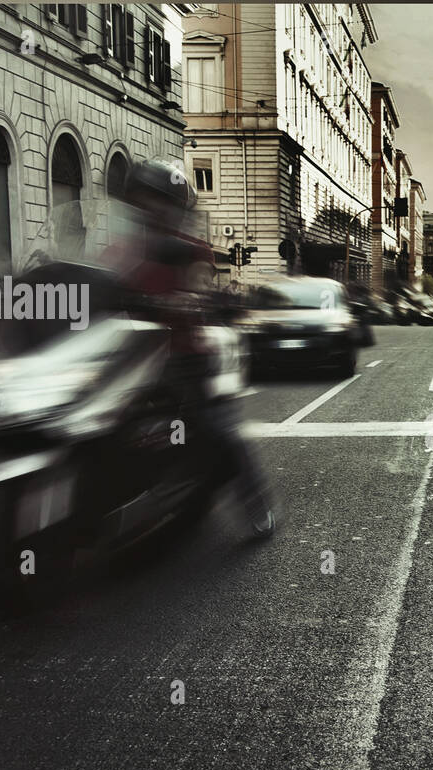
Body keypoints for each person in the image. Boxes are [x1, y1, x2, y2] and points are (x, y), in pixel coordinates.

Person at [103, 159, 277, 538]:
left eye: (158, 201)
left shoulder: (193, 249)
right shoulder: (125, 247)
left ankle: (254, 501)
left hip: (183, 356)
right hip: (129, 356)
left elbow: (199, 285)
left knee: (219, 428)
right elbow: (100, 278)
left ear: (175, 209)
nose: (150, 209)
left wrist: (186, 301)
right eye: (143, 201)